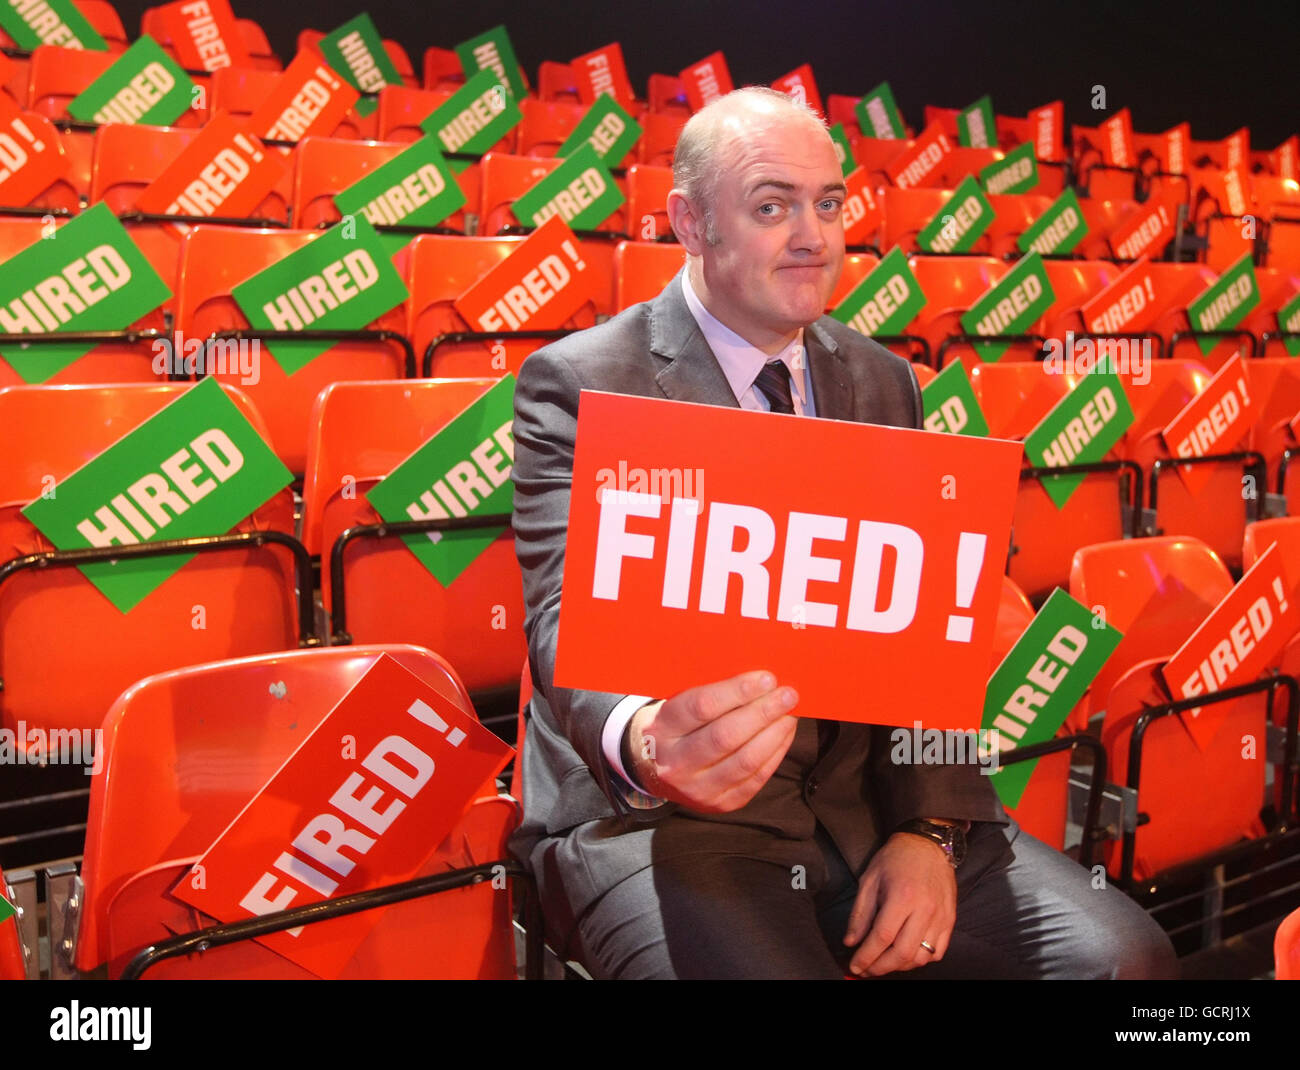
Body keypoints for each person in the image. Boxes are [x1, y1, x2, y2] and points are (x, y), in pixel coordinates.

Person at [508, 86, 1177, 980]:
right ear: (691, 223)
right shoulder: (585, 380)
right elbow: (562, 625)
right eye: (772, 206)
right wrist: (647, 742)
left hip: (870, 805)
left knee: (1127, 965)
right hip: (670, 830)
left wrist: (931, 830)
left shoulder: (883, 380)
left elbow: (926, 651)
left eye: (829, 204)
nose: (813, 238)